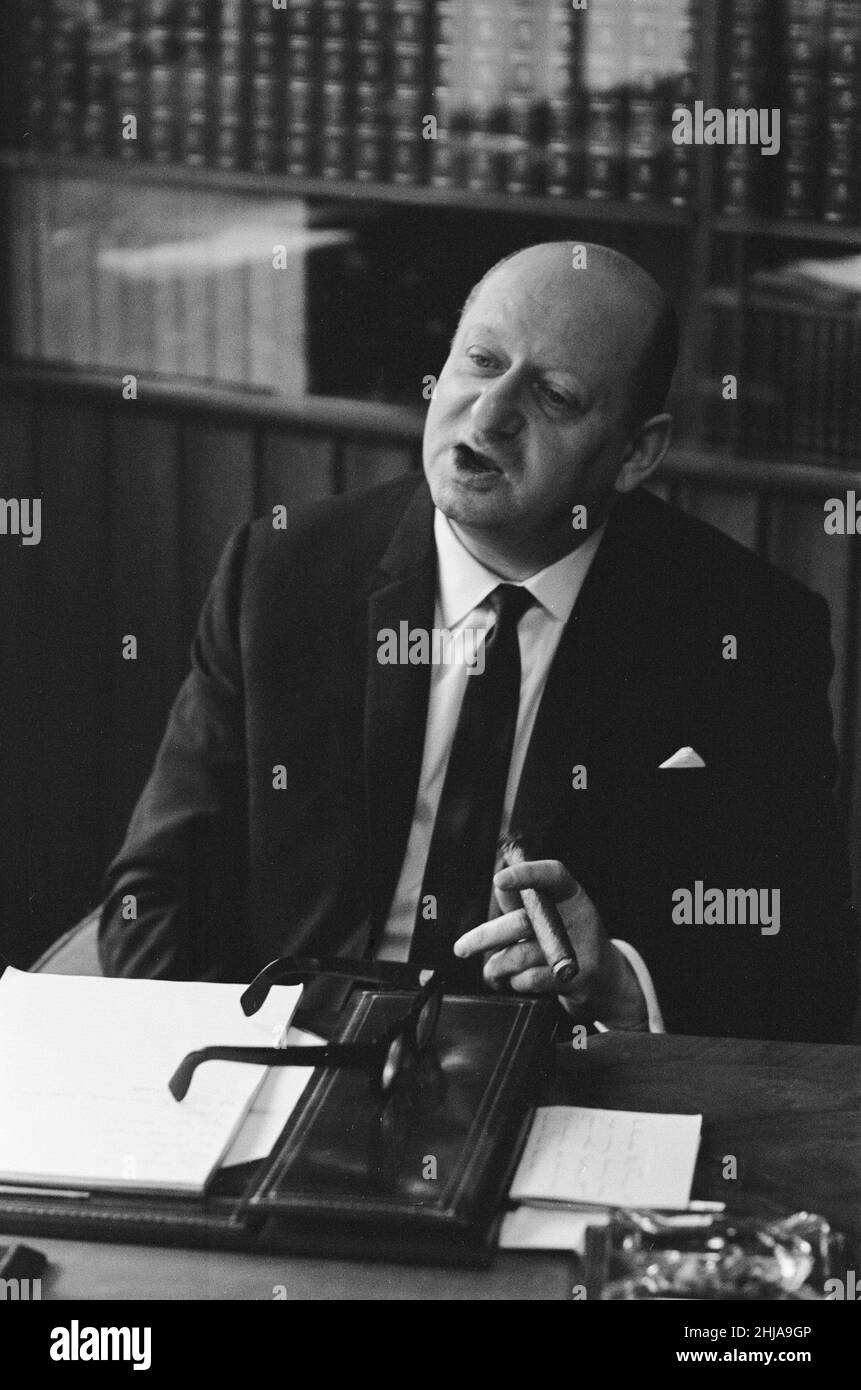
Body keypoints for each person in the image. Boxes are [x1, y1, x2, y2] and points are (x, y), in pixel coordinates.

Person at [99, 242, 858, 1042]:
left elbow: (805, 961)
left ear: (635, 452)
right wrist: (223, 1072)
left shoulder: (744, 633)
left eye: (555, 396)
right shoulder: (281, 576)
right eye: (480, 361)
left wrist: (621, 989)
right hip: (297, 1059)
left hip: (567, 1086)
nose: (489, 414)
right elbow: (154, 890)